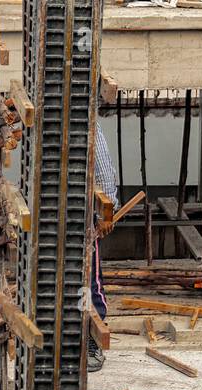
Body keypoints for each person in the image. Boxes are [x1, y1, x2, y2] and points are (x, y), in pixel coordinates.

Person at [87, 128, 117, 373]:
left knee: (88, 281)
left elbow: (104, 171)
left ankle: (92, 339)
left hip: (83, 221)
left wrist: (105, 212)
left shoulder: (90, 125)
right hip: (51, 220)